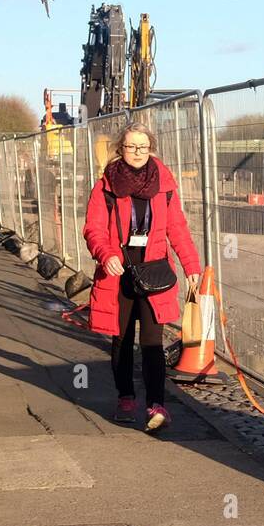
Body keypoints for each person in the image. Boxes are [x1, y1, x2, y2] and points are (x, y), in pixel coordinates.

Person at [83, 124, 201, 431]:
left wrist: (191, 267)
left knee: (152, 342)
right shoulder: (106, 185)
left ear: (151, 149)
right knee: (121, 340)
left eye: (143, 147)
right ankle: (125, 397)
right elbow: (93, 228)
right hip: (118, 272)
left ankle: (156, 405)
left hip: (154, 271)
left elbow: (177, 228)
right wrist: (105, 254)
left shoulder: (165, 184)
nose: (137, 152)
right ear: (120, 148)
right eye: (131, 146)